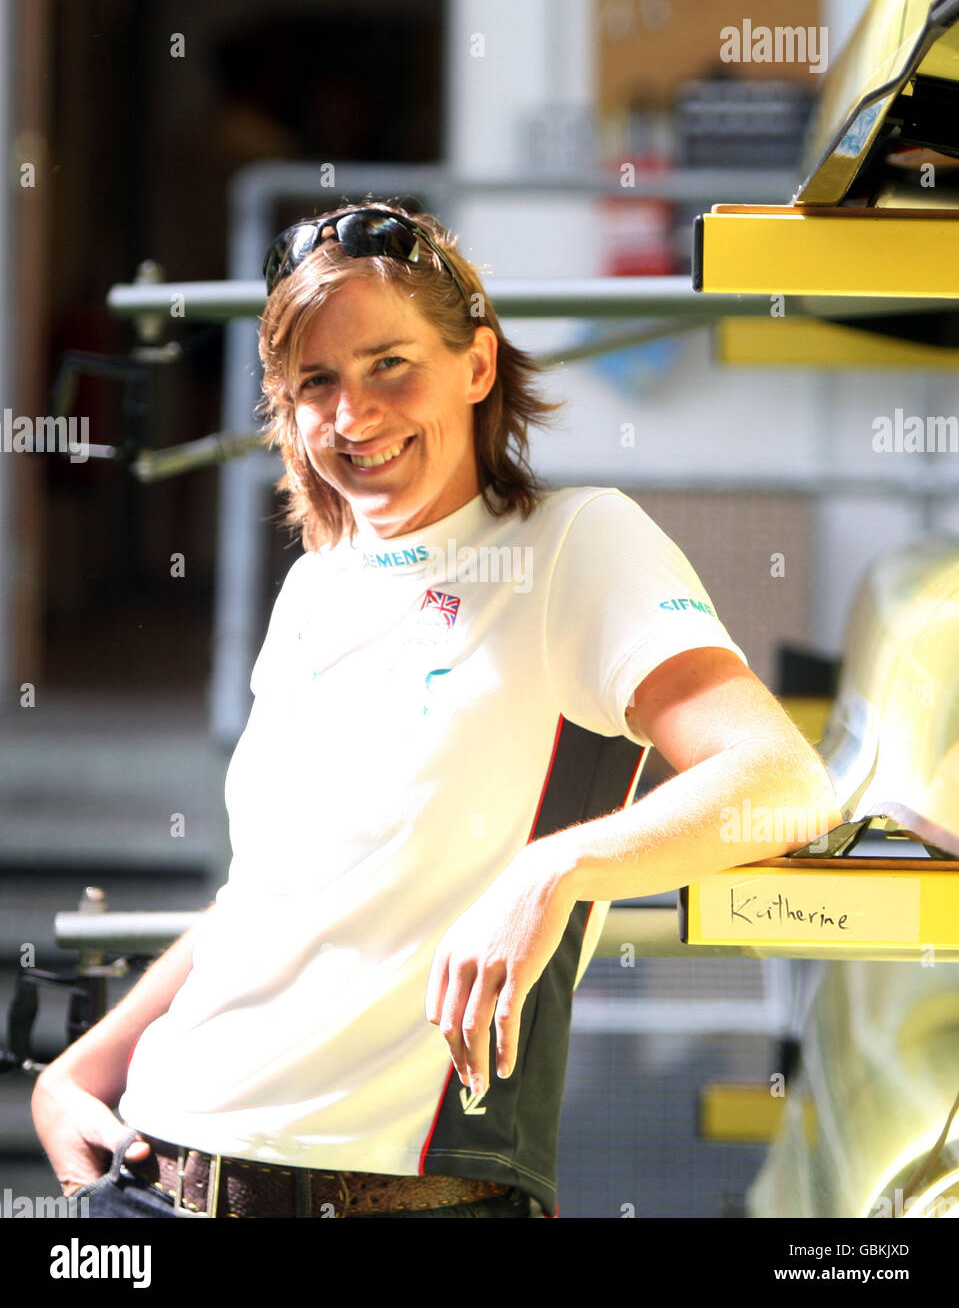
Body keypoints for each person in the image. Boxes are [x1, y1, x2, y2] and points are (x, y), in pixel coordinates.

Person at [31, 200, 842, 1218]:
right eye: (314, 383)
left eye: (388, 365)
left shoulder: (575, 545)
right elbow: (268, 895)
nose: (351, 416)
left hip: (402, 1193)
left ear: (477, 365)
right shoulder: (315, 588)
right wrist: (80, 1071)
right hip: (158, 1172)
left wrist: (550, 870)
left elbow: (780, 780)